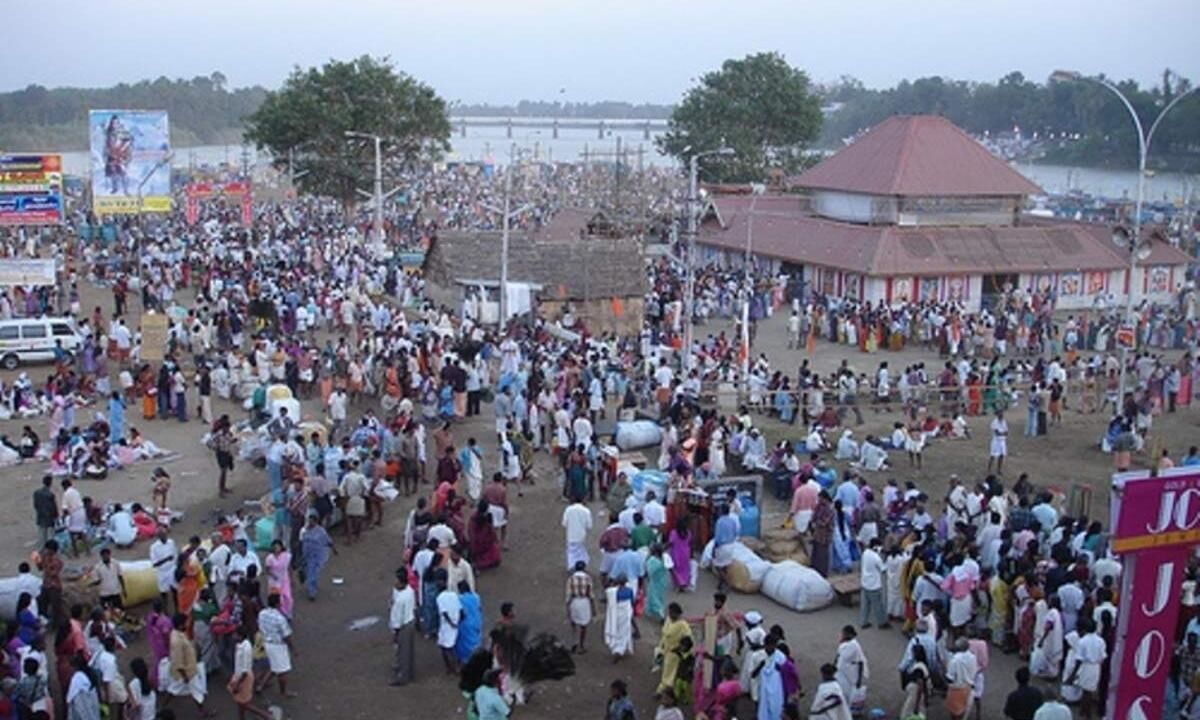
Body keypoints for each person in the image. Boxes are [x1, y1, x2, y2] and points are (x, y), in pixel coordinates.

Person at [163, 613, 212, 716]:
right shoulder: (177, 641)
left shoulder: (177, 634)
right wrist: (185, 676)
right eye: (186, 623)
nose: (188, 624)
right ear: (181, 625)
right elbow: (178, 660)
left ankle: (202, 711)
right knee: (193, 690)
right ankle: (203, 711)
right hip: (186, 672)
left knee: (178, 690)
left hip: (188, 670)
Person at [226, 626, 272, 720]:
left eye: (235, 634)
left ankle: (265, 715)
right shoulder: (241, 644)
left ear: (240, 636)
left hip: (243, 679)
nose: (233, 636)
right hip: (239, 676)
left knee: (243, 703)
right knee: (240, 702)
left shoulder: (245, 649)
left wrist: (237, 684)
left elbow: (245, 671)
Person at [256, 594, 295, 698]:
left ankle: (260, 685)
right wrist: (293, 649)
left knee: (274, 667)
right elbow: (287, 636)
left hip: (266, 643)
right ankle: (283, 691)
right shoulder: (280, 619)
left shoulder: (262, 613)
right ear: (278, 604)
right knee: (283, 671)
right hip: (278, 646)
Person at [389, 567, 417, 686]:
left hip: (403, 626)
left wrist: (395, 632)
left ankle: (403, 677)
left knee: (402, 651)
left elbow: (397, 619)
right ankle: (408, 672)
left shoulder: (401, 599)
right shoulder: (409, 590)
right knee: (408, 650)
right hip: (410, 621)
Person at [657, 603, 693, 694]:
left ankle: (662, 690)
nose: (670, 614)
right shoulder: (668, 620)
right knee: (667, 670)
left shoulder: (683, 625)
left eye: (672, 613)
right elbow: (664, 635)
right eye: (669, 612)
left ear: (677, 614)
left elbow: (688, 639)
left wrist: (679, 649)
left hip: (674, 652)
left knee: (669, 672)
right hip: (665, 649)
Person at [299, 512, 335, 600]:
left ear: (316, 521)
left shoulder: (321, 532)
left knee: (313, 573)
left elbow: (328, 541)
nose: (310, 523)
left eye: (312, 521)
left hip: (317, 556)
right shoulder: (305, 530)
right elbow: (301, 541)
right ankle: (311, 584)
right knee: (308, 572)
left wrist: (334, 550)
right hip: (306, 555)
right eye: (309, 521)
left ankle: (312, 593)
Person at [834, 625, 867, 715]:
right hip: (841, 672)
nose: (841, 635)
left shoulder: (855, 646)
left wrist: (859, 679)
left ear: (849, 634)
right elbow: (837, 657)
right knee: (840, 690)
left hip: (850, 673)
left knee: (848, 692)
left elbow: (861, 662)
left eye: (843, 633)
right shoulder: (843, 644)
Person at [753, 634, 786, 720]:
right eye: (769, 645)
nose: (771, 648)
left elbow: (786, 674)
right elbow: (752, 675)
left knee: (776, 710)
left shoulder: (781, 657)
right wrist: (760, 666)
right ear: (765, 645)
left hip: (777, 690)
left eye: (773, 646)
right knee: (763, 709)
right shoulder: (757, 656)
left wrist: (781, 669)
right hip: (762, 689)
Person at [565, 561, 595, 654]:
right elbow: (591, 595)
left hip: (574, 601)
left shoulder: (571, 579)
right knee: (583, 625)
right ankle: (581, 645)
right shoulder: (588, 578)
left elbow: (568, 594)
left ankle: (574, 642)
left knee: (573, 623)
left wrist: (567, 607)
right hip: (584, 602)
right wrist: (594, 609)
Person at [945, 637, 978, 720]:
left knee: (955, 714)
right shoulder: (973, 657)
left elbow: (950, 678)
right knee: (964, 712)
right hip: (969, 687)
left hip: (957, 689)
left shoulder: (955, 660)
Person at [859, 536, 888, 628]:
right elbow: (883, 569)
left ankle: (863, 622)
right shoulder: (876, 557)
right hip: (874, 585)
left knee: (865, 605)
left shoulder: (865, 553)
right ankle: (882, 622)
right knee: (878, 605)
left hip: (865, 582)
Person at [436, 577, 462, 673]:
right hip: (455, 622)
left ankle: (452, 667)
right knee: (451, 646)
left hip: (447, 626)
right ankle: (453, 667)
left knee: (446, 648)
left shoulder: (439, 598)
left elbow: (444, 613)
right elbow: (460, 609)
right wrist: (458, 621)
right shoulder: (454, 595)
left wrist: (451, 623)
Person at [604, 579, 635, 661]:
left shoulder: (613, 592)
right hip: (626, 613)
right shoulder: (629, 590)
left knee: (616, 629)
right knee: (624, 631)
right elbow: (632, 602)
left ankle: (616, 648)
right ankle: (620, 649)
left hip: (617, 613)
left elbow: (611, 602)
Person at [66, 653, 103, 720]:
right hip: (91, 706)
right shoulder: (89, 674)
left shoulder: (77, 677)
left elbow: (71, 697)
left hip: (82, 705)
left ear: (75, 666)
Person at [455, 580, 483, 664]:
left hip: (466, 624)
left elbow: (461, 613)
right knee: (476, 641)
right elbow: (479, 608)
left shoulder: (459, 599)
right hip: (477, 621)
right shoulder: (476, 596)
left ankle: (466, 660)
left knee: (465, 643)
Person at [562, 494, 593, 571]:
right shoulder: (586, 511)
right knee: (581, 551)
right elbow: (589, 525)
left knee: (571, 552)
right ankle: (581, 565)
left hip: (571, 535)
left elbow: (564, 523)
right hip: (581, 535)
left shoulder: (568, 510)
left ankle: (572, 566)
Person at [644, 544, 669, 622]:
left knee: (654, 598)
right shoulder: (663, 558)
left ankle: (661, 616)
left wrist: (647, 559)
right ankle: (652, 612)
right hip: (663, 580)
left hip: (655, 581)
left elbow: (648, 571)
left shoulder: (652, 560)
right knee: (659, 597)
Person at [33, 475, 57, 547]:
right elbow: (53, 507)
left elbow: (35, 505)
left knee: (42, 535)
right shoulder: (50, 495)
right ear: (50, 483)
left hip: (41, 515)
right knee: (50, 535)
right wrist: (55, 515)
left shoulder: (36, 493)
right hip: (49, 517)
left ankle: (41, 548)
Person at [989, 409, 1008, 474]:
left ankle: (999, 470)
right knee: (993, 455)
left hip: (1002, 441)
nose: (1002, 415)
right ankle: (989, 469)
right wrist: (1003, 433)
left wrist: (1002, 433)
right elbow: (997, 433)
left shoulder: (1004, 421)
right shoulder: (994, 422)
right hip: (996, 441)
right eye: (1000, 413)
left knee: (1002, 455)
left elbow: (1006, 432)